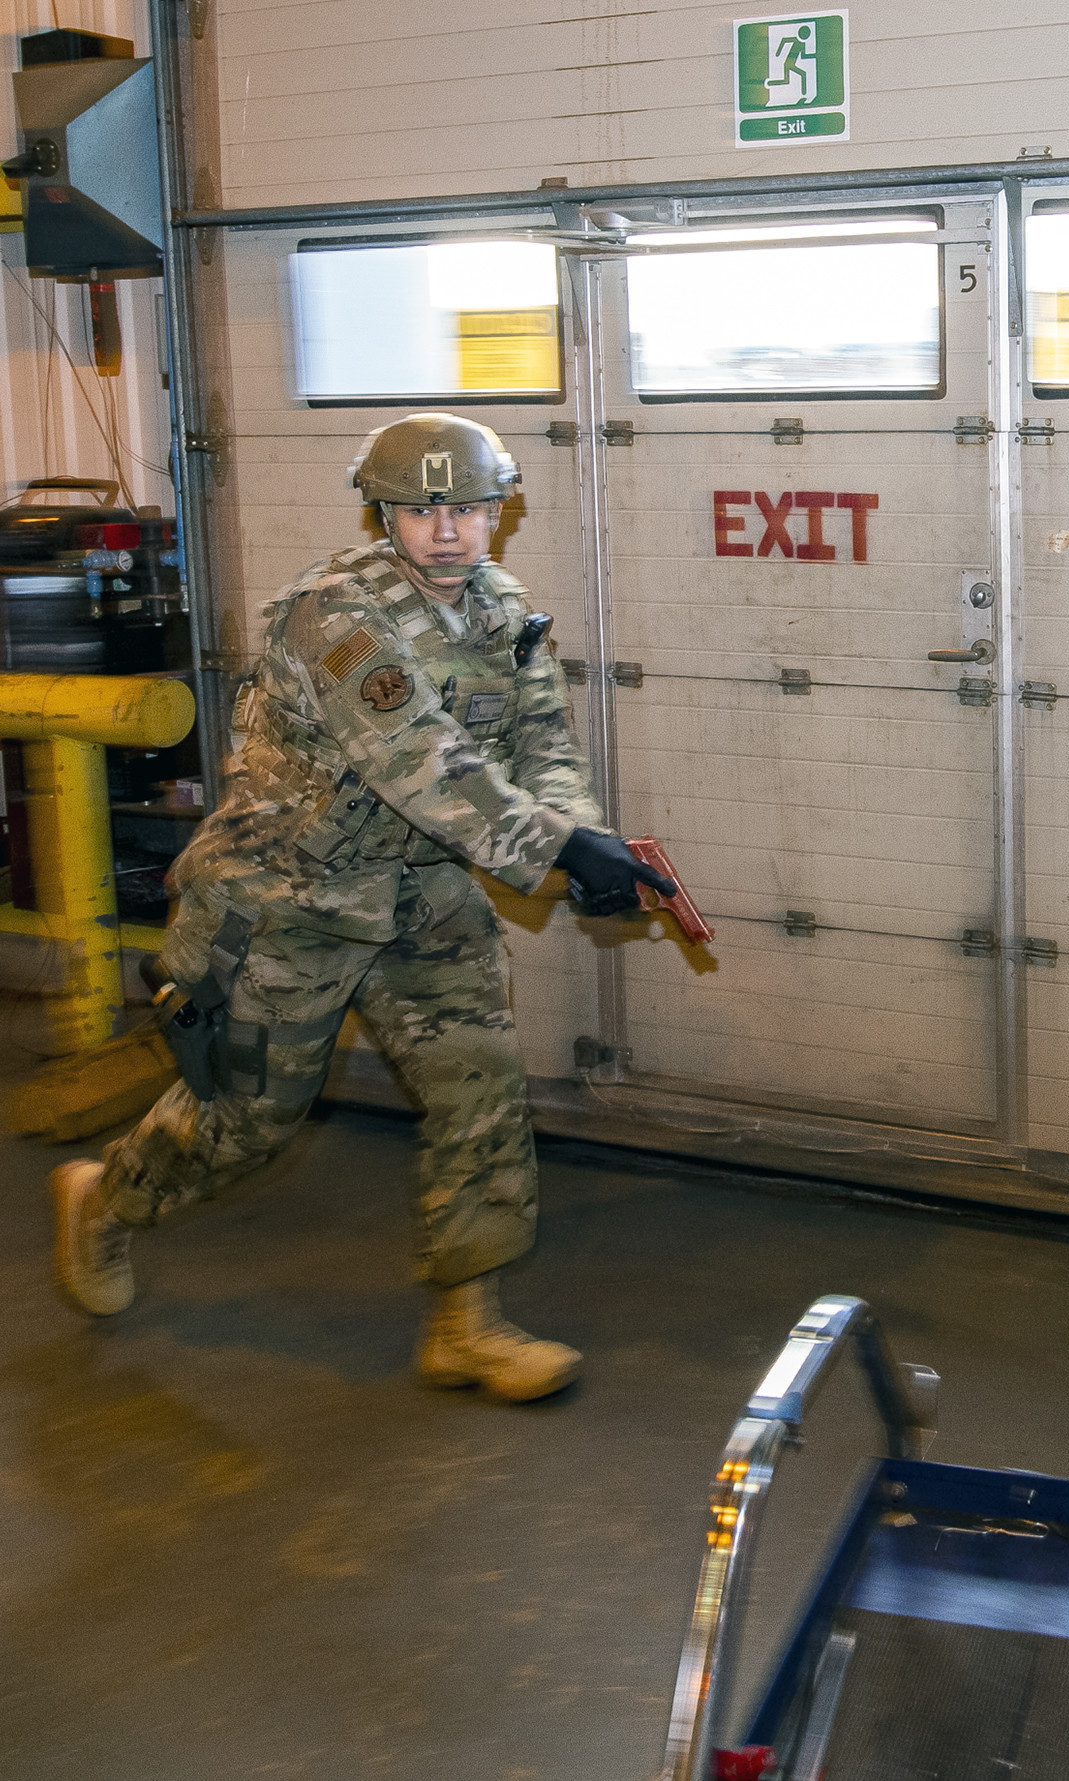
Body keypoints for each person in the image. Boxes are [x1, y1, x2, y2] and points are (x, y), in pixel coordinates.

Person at [49, 414, 675, 1403]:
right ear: (383, 515)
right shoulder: (334, 614)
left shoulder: (503, 609)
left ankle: (470, 1325)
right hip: (291, 894)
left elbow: (542, 744)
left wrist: (580, 834)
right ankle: (108, 1200)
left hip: (423, 890)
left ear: (500, 511)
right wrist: (555, 849)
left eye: (469, 509)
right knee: (250, 1118)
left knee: (479, 1087)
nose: (447, 531)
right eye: (421, 511)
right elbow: (421, 759)